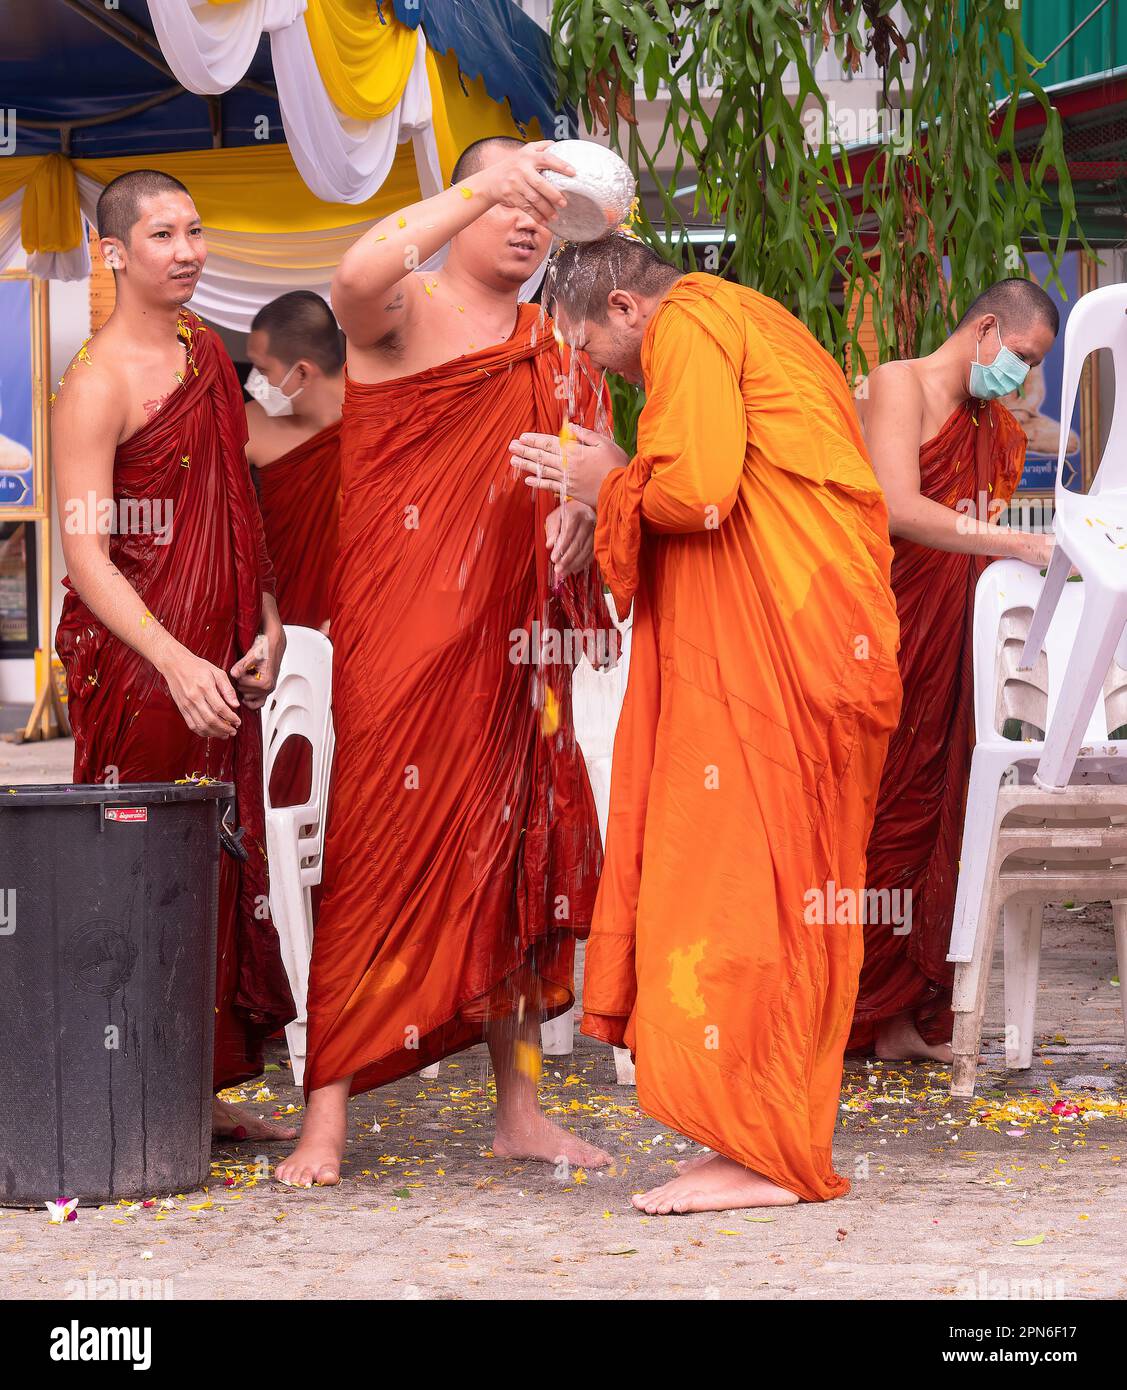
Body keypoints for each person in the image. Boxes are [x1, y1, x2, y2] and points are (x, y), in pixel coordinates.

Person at [511, 235, 902, 1212]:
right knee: (773, 881)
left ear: (625, 308)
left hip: (781, 654)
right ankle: (760, 1134)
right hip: (816, 637)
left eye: (595, 349)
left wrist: (604, 479)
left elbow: (697, 490)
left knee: (738, 881)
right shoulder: (750, 315)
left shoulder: (687, 323)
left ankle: (764, 1150)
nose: (604, 369)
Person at [275, 139, 615, 1189]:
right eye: (508, 200)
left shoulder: (552, 341)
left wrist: (575, 510)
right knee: (374, 856)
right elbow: (350, 280)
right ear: (460, 203)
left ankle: (519, 1110)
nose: (525, 220)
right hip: (406, 646)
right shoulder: (407, 312)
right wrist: (478, 180)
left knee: (515, 868)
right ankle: (322, 1119)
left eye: (540, 208)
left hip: (519, 653)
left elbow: (591, 456)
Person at [53, 169, 296, 1142]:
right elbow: (83, 552)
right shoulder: (93, 385)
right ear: (115, 253)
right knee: (138, 868)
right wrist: (171, 660)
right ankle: (124, 1091)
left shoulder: (207, 354)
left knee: (220, 867)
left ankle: (201, 1089)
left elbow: (242, 507)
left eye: (196, 229)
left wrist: (267, 619)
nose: (189, 249)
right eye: (163, 234)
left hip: (227, 658)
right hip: (144, 669)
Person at [845, 278, 1058, 1062]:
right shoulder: (896, 382)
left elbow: (973, 519)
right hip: (889, 627)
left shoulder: (990, 422)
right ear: (988, 328)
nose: (1024, 379)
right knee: (883, 809)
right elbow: (895, 505)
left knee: (941, 813)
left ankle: (902, 1019)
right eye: (1025, 358)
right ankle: (857, 1008)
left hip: (954, 639)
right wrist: (1019, 544)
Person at [245, 291, 344, 813]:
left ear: (302, 372)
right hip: (279, 638)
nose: (253, 382)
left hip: (364, 643)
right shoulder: (250, 426)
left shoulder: (384, 427)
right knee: (282, 788)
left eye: (262, 369)